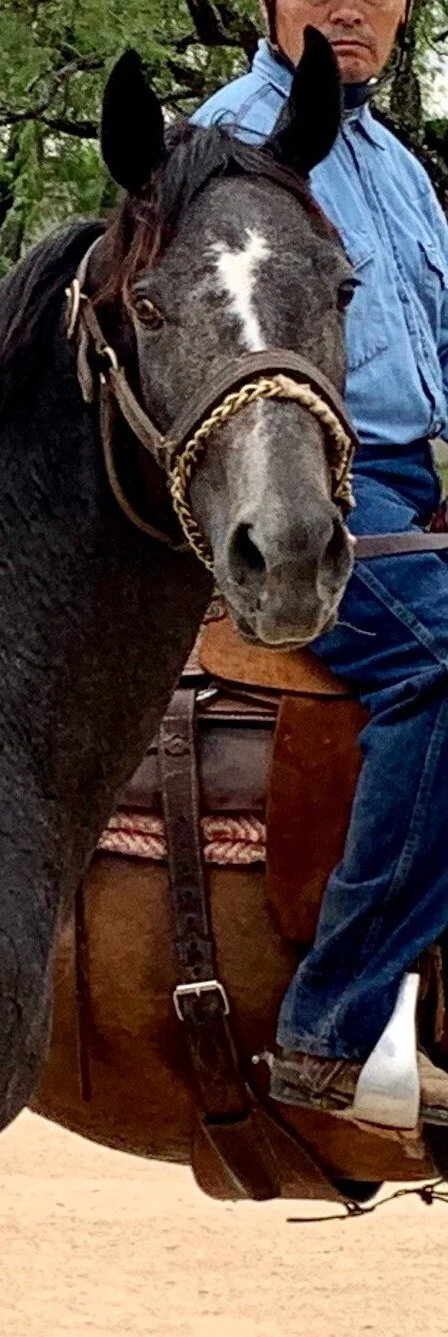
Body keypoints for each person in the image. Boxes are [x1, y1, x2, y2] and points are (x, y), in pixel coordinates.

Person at [197, 3, 448, 1123]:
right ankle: (332, 1028)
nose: (348, 5)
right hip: (307, 488)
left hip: (417, 484)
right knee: (444, 662)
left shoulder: (399, 167)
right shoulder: (230, 148)